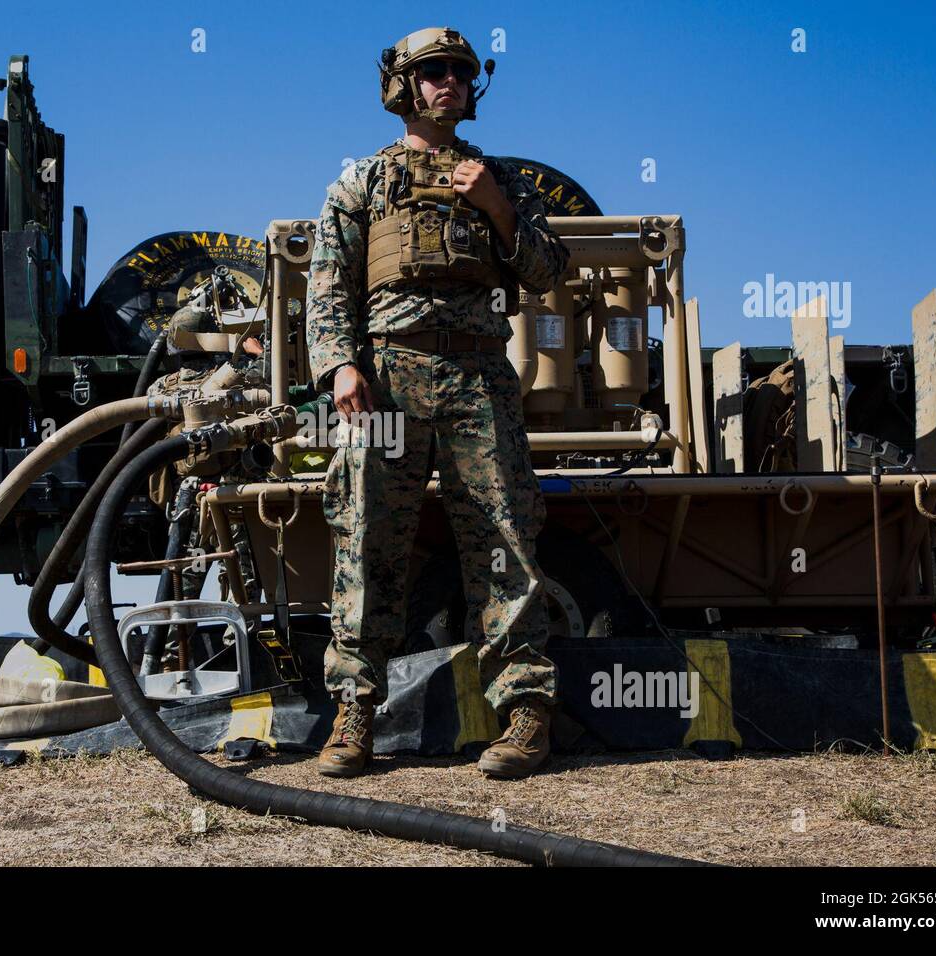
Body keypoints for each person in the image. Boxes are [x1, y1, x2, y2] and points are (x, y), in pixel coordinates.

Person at [305, 26, 571, 779]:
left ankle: (525, 715)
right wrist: (339, 371)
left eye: (459, 69)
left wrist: (496, 208)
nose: (447, 81)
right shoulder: (359, 182)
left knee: (504, 540)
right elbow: (328, 288)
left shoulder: (502, 179)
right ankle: (354, 714)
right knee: (365, 538)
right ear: (403, 86)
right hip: (384, 377)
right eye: (432, 72)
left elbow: (548, 271)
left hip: (478, 378)